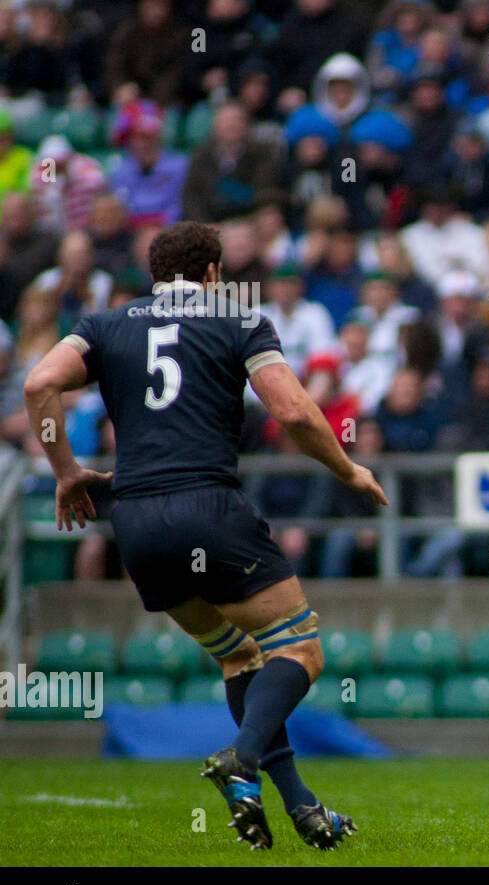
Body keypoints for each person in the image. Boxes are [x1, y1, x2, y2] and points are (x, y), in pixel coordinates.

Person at [22, 221, 388, 850]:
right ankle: (240, 760)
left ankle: (298, 805)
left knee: (240, 656)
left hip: (135, 525)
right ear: (213, 273)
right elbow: (295, 411)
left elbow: (38, 384)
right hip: (207, 509)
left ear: (154, 272)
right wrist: (347, 467)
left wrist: (66, 473)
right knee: (300, 650)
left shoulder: (107, 324)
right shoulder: (237, 320)